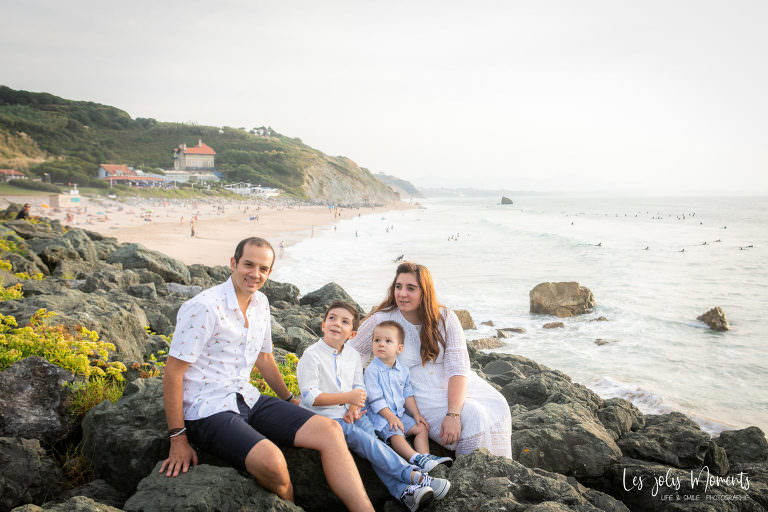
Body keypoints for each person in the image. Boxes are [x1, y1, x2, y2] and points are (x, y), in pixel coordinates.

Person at [160, 237, 374, 511]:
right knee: (272, 461)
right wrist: (177, 439)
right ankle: (290, 506)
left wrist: (288, 399)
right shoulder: (204, 307)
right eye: (249, 264)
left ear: (270, 272)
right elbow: (172, 374)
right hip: (207, 409)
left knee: (330, 430)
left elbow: (264, 358)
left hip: (247, 397)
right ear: (233, 263)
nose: (255, 273)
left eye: (263, 268)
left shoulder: (260, 302)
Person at [297, 301, 450, 511]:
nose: (336, 324)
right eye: (332, 318)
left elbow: (358, 385)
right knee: (366, 442)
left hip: (353, 413)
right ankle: (414, 476)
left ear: (352, 334)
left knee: (376, 444)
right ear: (323, 325)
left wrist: (354, 404)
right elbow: (309, 397)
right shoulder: (311, 355)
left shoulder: (351, 355)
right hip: (325, 419)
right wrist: (348, 397)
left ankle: (404, 492)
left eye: (344, 321)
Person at [349, 262, 512, 458]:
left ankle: (498, 473)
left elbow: (458, 368)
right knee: (475, 415)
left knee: (498, 405)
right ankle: (473, 474)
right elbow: (353, 354)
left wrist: (453, 414)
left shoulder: (446, 318)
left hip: (456, 385)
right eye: (398, 287)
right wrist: (352, 392)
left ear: (425, 291)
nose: (402, 294)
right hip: (419, 393)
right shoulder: (382, 320)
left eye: (411, 288)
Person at [364, 321, 453, 471]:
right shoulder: (372, 371)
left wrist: (416, 414)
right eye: (377, 340)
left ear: (399, 348)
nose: (381, 344)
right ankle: (414, 457)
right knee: (395, 432)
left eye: (388, 341)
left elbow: (407, 394)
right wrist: (390, 417)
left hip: (399, 414)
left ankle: (425, 457)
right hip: (381, 417)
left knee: (421, 427)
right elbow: (375, 400)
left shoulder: (403, 370)